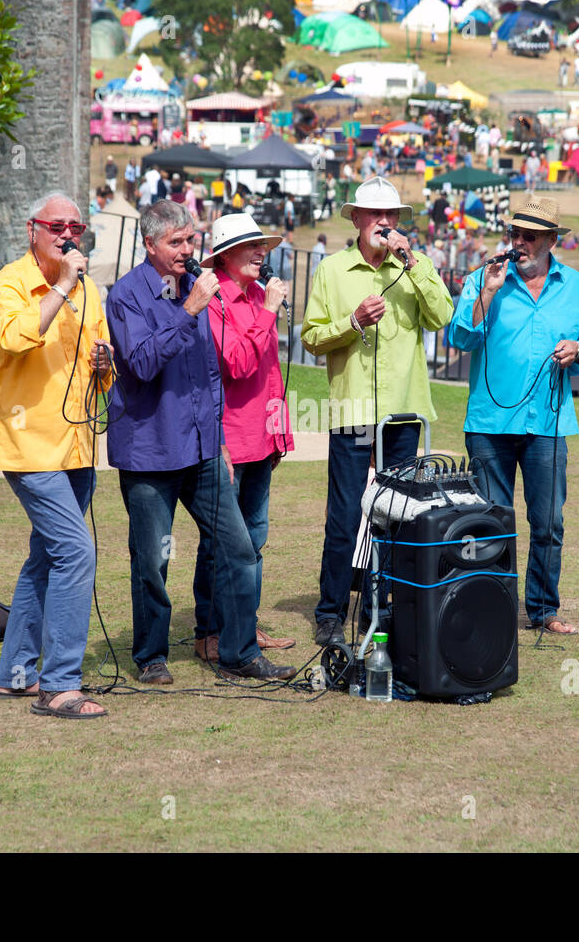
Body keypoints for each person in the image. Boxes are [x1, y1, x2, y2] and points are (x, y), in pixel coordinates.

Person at [105, 200, 298, 684]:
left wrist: (222, 442)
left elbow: (214, 376)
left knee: (238, 549)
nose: (187, 251)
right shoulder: (127, 295)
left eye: (191, 240)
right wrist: (188, 311)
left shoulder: (198, 287)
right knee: (153, 559)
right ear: (150, 245)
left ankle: (239, 651)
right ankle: (150, 656)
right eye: (176, 242)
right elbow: (144, 363)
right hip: (150, 452)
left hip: (203, 449)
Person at [301, 176, 454, 646]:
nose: (385, 224)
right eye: (376, 215)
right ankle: (330, 611)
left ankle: (389, 603)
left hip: (404, 414)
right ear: (357, 219)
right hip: (353, 411)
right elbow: (310, 336)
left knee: (401, 516)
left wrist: (415, 265)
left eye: (392, 216)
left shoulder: (415, 267)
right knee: (345, 514)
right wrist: (352, 323)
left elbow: (443, 317)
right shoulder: (332, 270)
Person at [444, 197, 579, 635]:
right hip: (490, 425)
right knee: (490, 522)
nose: (521, 242)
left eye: (531, 236)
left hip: (548, 424)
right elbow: (460, 338)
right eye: (516, 233)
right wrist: (489, 292)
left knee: (548, 522)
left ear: (552, 240)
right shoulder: (483, 278)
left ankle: (544, 609)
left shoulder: (575, 286)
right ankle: (490, 605)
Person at [0, 192, 113, 719]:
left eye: (76, 228)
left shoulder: (90, 292)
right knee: (76, 554)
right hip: (29, 447)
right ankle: (58, 684)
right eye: (57, 226)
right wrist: (61, 286)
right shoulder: (8, 283)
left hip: (77, 445)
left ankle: (15, 675)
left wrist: (106, 364)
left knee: (47, 560)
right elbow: (17, 337)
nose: (68, 235)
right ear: (32, 230)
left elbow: (101, 371)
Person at [190, 214, 297, 662]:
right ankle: (210, 631)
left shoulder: (257, 294)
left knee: (255, 536)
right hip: (230, 439)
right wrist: (269, 312)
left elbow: (270, 374)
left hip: (261, 437)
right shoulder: (216, 300)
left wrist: (279, 433)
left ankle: (244, 627)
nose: (261, 253)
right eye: (250, 246)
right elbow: (235, 364)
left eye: (262, 246)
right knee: (221, 542)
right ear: (224, 256)